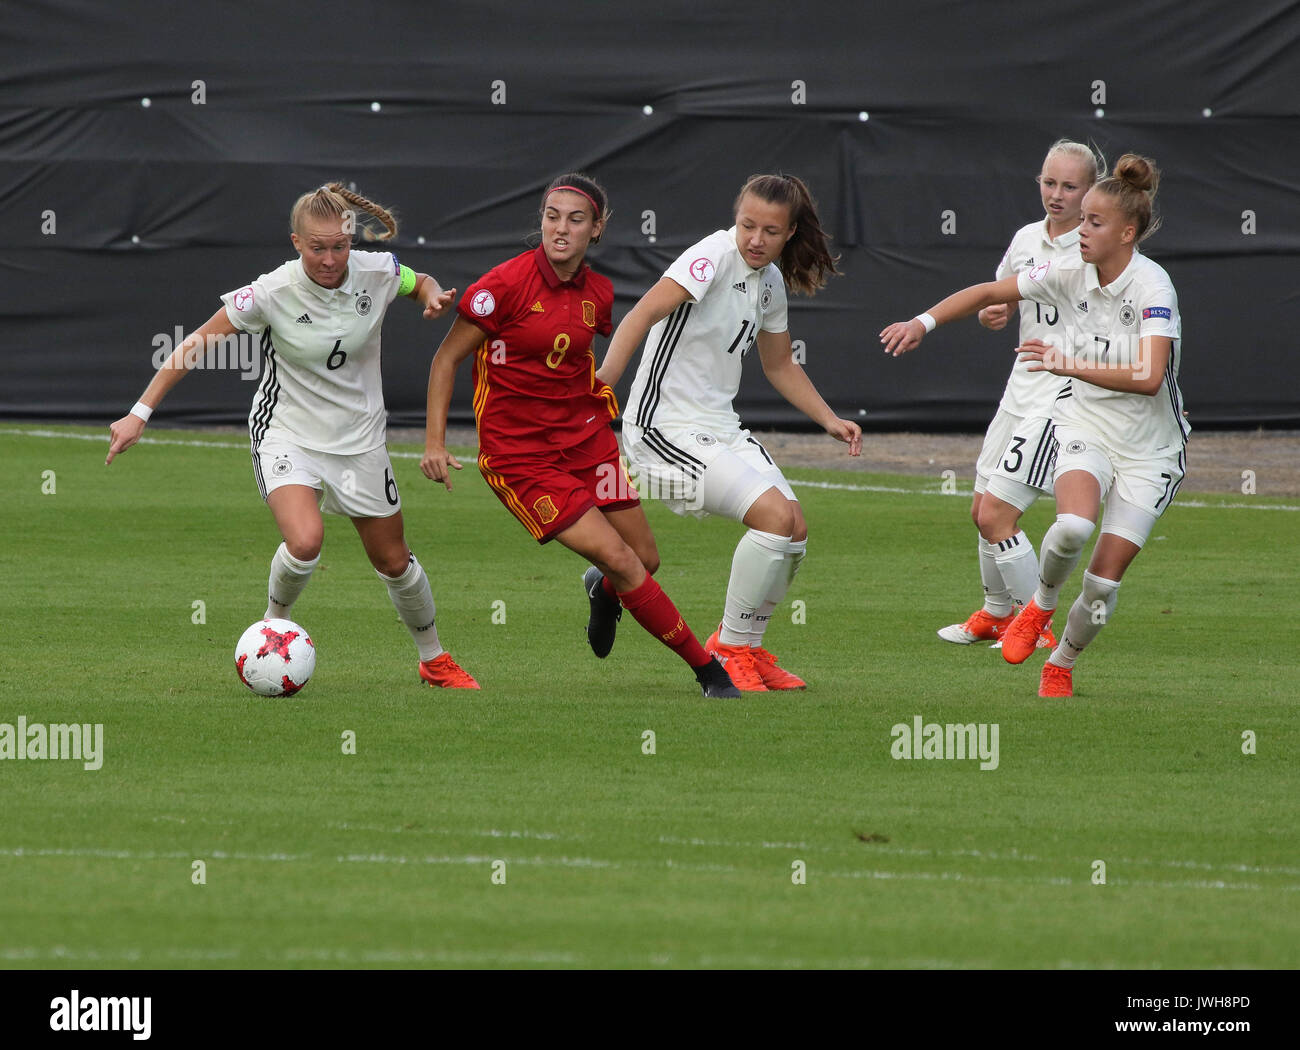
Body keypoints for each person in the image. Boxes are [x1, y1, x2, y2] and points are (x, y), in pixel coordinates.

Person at [106, 182, 479, 689]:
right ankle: (270, 628)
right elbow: (195, 343)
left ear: (352, 240)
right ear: (296, 242)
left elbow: (417, 280)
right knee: (305, 541)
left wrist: (432, 294)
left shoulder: (377, 269)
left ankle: (433, 660)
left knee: (393, 560)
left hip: (360, 439)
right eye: (317, 247)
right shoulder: (270, 292)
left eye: (339, 246)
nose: (329, 259)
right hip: (288, 433)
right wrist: (138, 413)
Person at [420, 173, 738, 699]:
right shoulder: (501, 287)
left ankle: (602, 593)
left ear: (597, 229)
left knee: (645, 559)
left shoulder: (599, 291)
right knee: (621, 559)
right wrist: (435, 442)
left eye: (575, 219)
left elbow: (575, 360)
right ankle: (708, 670)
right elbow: (445, 359)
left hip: (587, 442)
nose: (559, 229)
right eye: (551, 216)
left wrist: (599, 397)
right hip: (520, 457)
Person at [881, 154, 1187, 697]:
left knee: (1100, 584)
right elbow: (987, 293)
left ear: (1128, 231)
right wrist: (922, 322)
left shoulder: (1153, 288)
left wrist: (1066, 362)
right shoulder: (1066, 268)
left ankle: (1061, 663)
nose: (1081, 230)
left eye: (1094, 221)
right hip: (1083, 423)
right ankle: (1038, 607)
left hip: (1150, 448)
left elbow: (1148, 376)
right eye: (1081, 216)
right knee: (1071, 527)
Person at [597, 173, 862, 692]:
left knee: (794, 528)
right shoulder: (711, 257)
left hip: (718, 428)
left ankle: (746, 644)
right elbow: (641, 314)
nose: (755, 239)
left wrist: (828, 418)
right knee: (770, 519)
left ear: (789, 234)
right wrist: (602, 382)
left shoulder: (770, 281)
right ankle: (731, 649)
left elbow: (781, 363)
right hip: (661, 428)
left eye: (770, 230)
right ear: (735, 219)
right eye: (747, 225)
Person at [937, 140, 1101, 650]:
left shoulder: (1095, 248)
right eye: (1048, 183)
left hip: (1060, 398)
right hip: (1019, 389)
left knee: (996, 515)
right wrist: (996, 314)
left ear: (1091, 191)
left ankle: (1040, 628)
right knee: (979, 509)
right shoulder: (1027, 237)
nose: (1056, 194)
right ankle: (996, 612)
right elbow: (1000, 297)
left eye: (1069, 186)